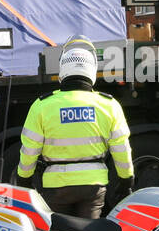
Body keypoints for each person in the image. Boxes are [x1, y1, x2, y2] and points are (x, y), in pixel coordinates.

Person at [16, 35, 134, 219]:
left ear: (63, 69)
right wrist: (126, 180)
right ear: (93, 70)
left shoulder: (42, 106)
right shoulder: (109, 105)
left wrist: (23, 179)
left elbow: (30, 149)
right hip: (94, 186)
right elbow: (121, 148)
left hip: (56, 187)